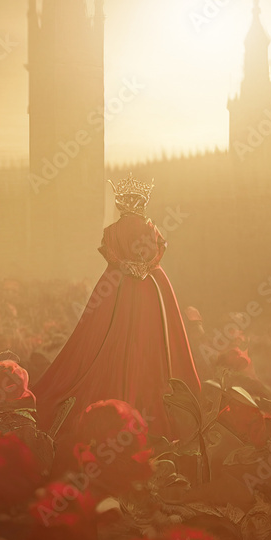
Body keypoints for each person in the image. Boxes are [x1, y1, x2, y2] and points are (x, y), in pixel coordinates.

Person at [33, 175, 202, 439]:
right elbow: (159, 252)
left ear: (120, 204)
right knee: (154, 339)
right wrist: (144, 269)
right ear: (142, 203)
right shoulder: (150, 227)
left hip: (117, 287)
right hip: (152, 289)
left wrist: (126, 267)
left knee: (107, 335)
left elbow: (110, 254)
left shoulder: (111, 231)